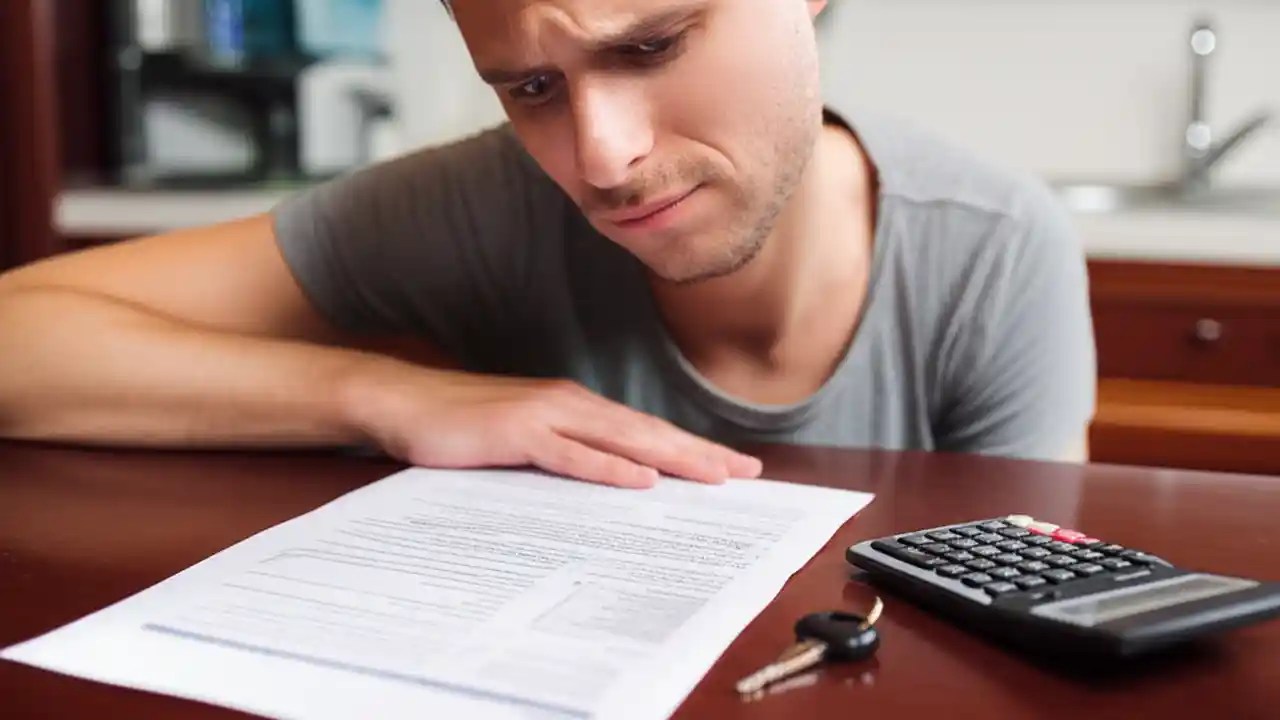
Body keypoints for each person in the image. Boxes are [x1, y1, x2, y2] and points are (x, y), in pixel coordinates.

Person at [0, 0, 1095, 489]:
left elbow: (1018, 623)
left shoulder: (992, 260)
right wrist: (385, 396)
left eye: (653, 43)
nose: (600, 159)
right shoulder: (484, 201)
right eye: (530, 88)